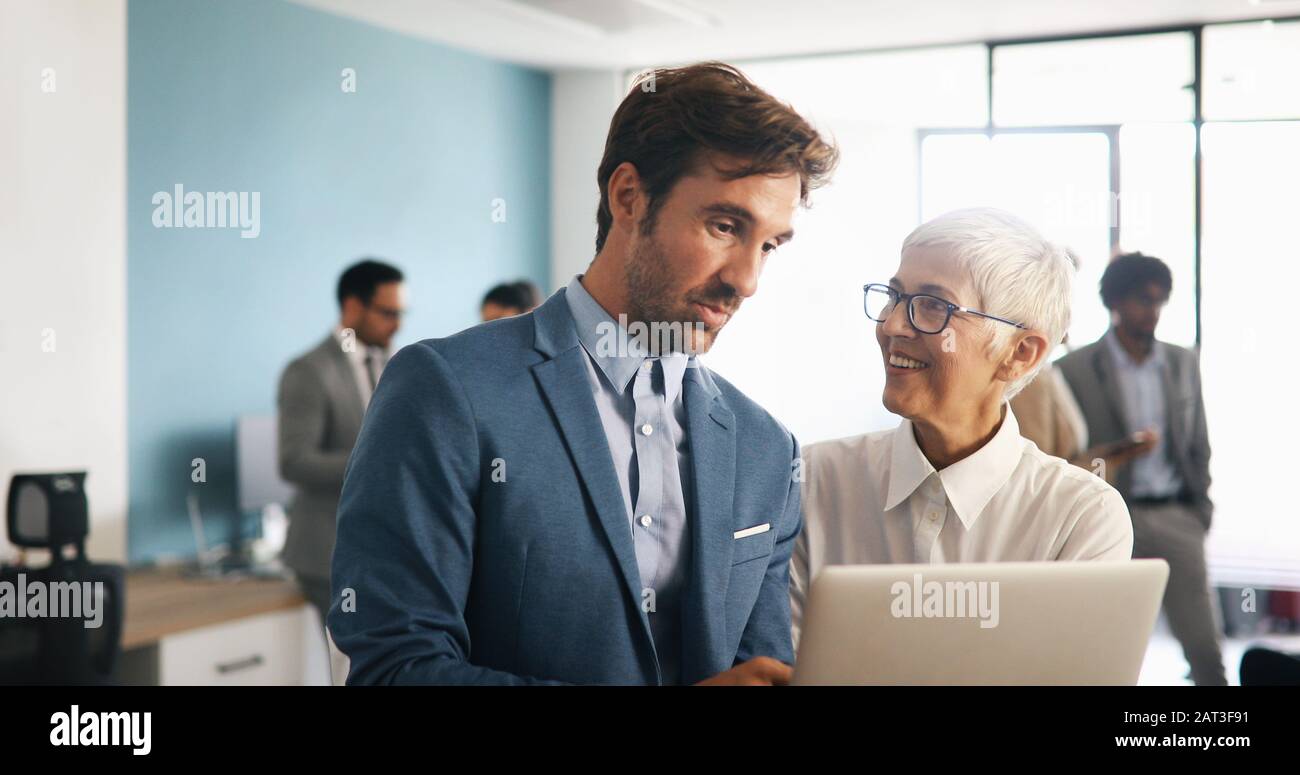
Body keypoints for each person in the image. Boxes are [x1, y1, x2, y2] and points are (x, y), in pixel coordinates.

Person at [329, 62, 838, 685]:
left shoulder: (766, 448)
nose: (747, 280)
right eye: (725, 226)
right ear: (628, 197)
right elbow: (394, 671)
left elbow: (756, 671)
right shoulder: (447, 389)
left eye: (769, 245)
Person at [791, 208, 1133, 649]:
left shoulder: (1081, 516)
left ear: (1021, 353)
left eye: (934, 306)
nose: (892, 325)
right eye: (894, 296)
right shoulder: (813, 479)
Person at [1056, 252, 1226, 686]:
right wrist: (1122, 451)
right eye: (1143, 300)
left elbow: (1199, 441)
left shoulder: (1181, 362)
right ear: (1115, 302)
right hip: (1110, 512)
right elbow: (1067, 456)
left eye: (1159, 300)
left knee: (1205, 649)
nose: (1152, 310)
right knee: (1101, 644)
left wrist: (1199, 510)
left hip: (1177, 515)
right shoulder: (1073, 370)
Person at [277, 259, 404, 629]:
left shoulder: (394, 362)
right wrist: (375, 461)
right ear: (352, 307)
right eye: (388, 312)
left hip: (381, 550)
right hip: (326, 552)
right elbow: (295, 461)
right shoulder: (308, 371)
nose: (398, 324)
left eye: (401, 312)